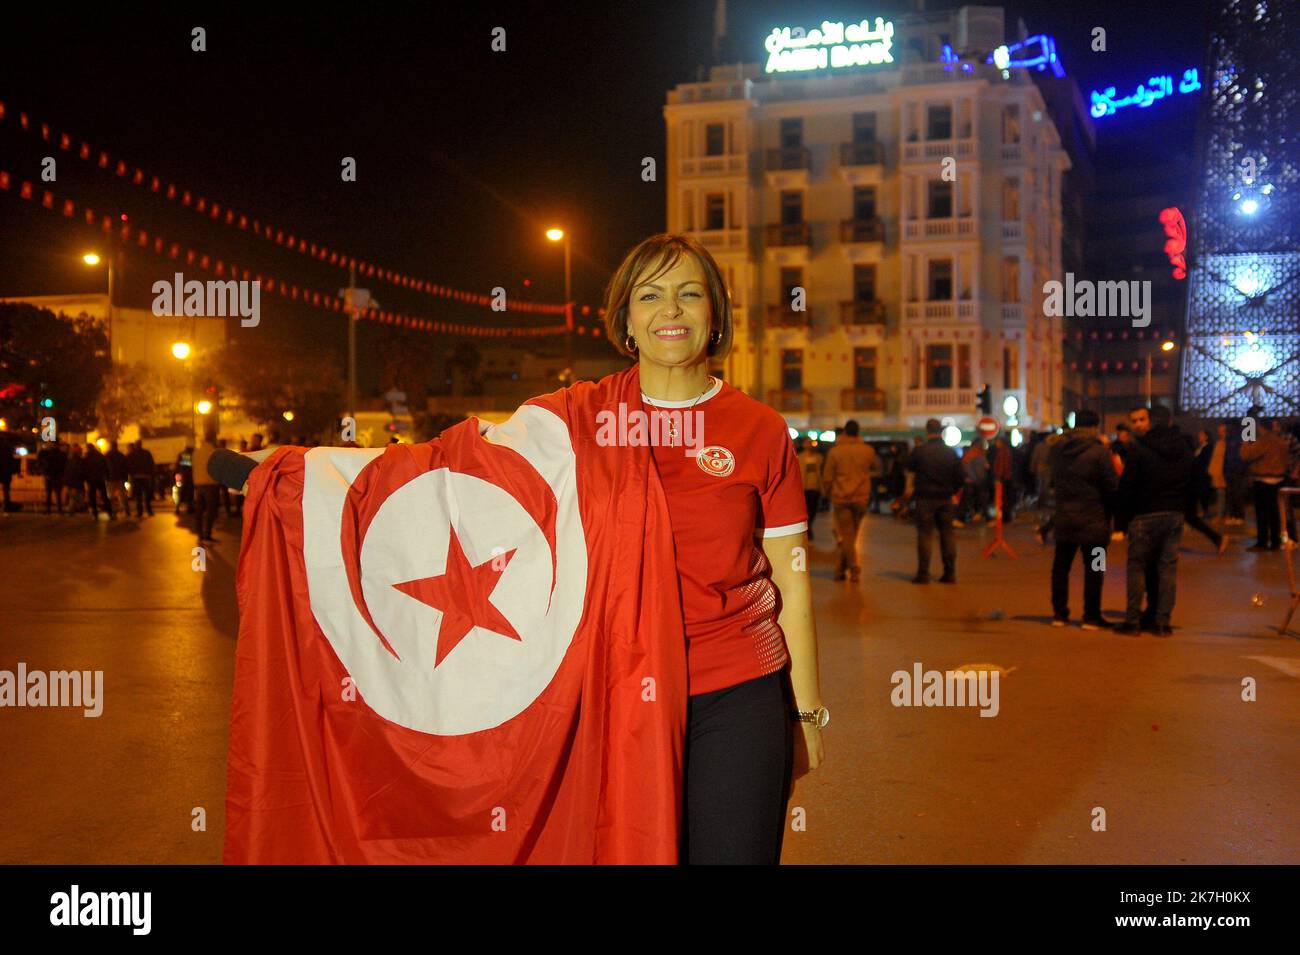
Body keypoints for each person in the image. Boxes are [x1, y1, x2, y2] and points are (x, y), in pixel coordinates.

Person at [607, 233, 823, 863]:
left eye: (689, 294)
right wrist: (305, 478)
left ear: (715, 315)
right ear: (626, 319)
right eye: (650, 296)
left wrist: (806, 715)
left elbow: (792, 575)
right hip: (619, 690)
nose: (670, 311)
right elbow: (463, 471)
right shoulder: (579, 421)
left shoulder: (758, 428)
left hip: (737, 690)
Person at [1115, 405, 1193, 635]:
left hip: (1144, 515)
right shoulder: (1183, 448)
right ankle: (1162, 622)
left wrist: (1120, 522)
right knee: (1167, 569)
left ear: (1151, 422)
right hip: (1174, 514)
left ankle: (1132, 621)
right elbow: (1193, 479)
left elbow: (1127, 486)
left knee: (1137, 567)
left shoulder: (1139, 448)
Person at [1047, 410, 1118, 629]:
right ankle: (1091, 616)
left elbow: (1053, 482)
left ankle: (1060, 614)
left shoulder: (1057, 451)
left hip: (1065, 522)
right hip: (1095, 525)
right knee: (1096, 569)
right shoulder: (1100, 452)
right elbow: (1112, 487)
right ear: (1094, 427)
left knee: (1061, 568)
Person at [821, 419, 879, 581]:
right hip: (861, 497)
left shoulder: (835, 452)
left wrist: (826, 493)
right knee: (852, 535)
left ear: (845, 432)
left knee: (847, 535)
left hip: (841, 497)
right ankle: (840, 570)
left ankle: (854, 569)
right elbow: (877, 469)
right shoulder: (868, 450)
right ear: (858, 432)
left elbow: (827, 477)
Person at [907, 418, 963, 584]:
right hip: (945, 498)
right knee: (947, 534)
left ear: (927, 431)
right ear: (941, 431)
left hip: (925, 497)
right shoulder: (951, 452)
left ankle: (923, 574)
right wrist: (952, 490)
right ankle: (950, 573)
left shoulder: (920, 450)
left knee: (925, 535)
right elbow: (961, 476)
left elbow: (909, 467)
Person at [1240, 416, 1289, 551]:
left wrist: (1245, 441)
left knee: (1262, 514)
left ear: (1261, 427)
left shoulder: (1263, 441)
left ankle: (1262, 542)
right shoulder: (1281, 441)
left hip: (1263, 480)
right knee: (1275, 514)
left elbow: (1246, 455)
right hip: (1279, 480)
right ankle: (1275, 542)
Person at [1184, 428, 1226, 554]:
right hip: (1190, 489)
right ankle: (1217, 539)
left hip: (1190, 489)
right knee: (1190, 518)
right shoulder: (1193, 453)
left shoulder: (1201, 451)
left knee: (1190, 518)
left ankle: (1217, 538)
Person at [796, 438, 823, 541]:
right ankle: (809, 530)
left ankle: (809, 527)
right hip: (804, 488)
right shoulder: (799, 457)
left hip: (815, 487)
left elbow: (820, 472)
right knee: (806, 511)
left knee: (814, 510)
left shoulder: (818, 457)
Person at [81, 441, 114, 520]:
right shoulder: (100, 456)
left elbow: (84, 469)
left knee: (92, 496)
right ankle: (109, 512)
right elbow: (106, 466)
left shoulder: (87, 457)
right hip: (100, 478)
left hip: (91, 480)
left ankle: (95, 513)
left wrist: (85, 478)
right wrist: (108, 476)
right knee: (104, 496)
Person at [960, 440, 989, 524]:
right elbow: (968, 468)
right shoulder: (976, 454)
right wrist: (975, 478)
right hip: (975, 481)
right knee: (975, 499)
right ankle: (963, 517)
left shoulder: (971, 454)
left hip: (973, 481)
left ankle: (964, 517)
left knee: (970, 499)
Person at [126, 440, 156, 517]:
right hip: (146, 477)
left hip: (136, 477)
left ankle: (140, 512)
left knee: (138, 496)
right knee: (147, 495)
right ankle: (149, 511)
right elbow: (151, 464)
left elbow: (128, 465)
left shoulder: (132, 454)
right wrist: (151, 475)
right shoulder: (146, 453)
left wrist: (130, 474)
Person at [38, 441, 67, 514]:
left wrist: (46, 474)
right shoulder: (62, 454)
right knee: (58, 494)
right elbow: (64, 466)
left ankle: (48, 510)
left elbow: (41, 462)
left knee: (49, 493)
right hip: (58, 476)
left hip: (49, 476)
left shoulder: (47, 454)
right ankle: (59, 509)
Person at [105, 439, 129, 517]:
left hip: (110, 479)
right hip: (120, 478)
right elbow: (125, 467)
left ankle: (113, 511)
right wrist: (125, 478)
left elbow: (104, 467)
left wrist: (105, 477)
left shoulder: (107, 455)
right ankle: (126, 510)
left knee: (111, 496)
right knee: (122, 495)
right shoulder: (121, 455)